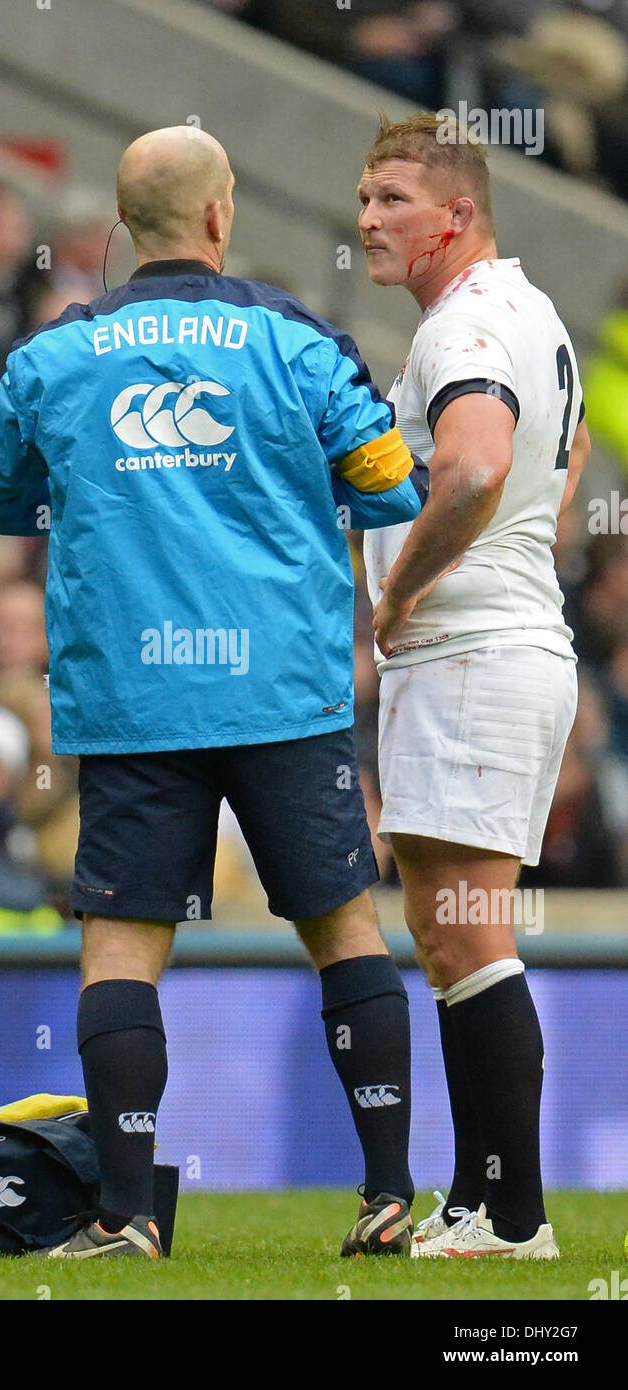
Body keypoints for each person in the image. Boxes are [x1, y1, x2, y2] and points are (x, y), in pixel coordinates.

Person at [0, 126, 427, 1261]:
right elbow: (386, 482)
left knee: (121, 950)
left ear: (122, 228)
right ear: (221, 217)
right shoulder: (296, 341)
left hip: (134, 700)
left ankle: (126, 1218)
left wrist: (85, 506)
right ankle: (387, 1197)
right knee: (344, 932)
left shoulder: (56, 356)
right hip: (282, 696)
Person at [357, 112, 590, 1259]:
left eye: (392, 199)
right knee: (449, 931)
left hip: (470, 651)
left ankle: (512, 1219)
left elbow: (480, 464)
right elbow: (567, 458)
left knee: (469, 934)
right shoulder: (527, 311)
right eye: (363, 199)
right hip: (495, 643)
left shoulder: (463, 328)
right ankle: (473, 1197)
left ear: (456, 216)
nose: (366, 221)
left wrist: (397, 594)